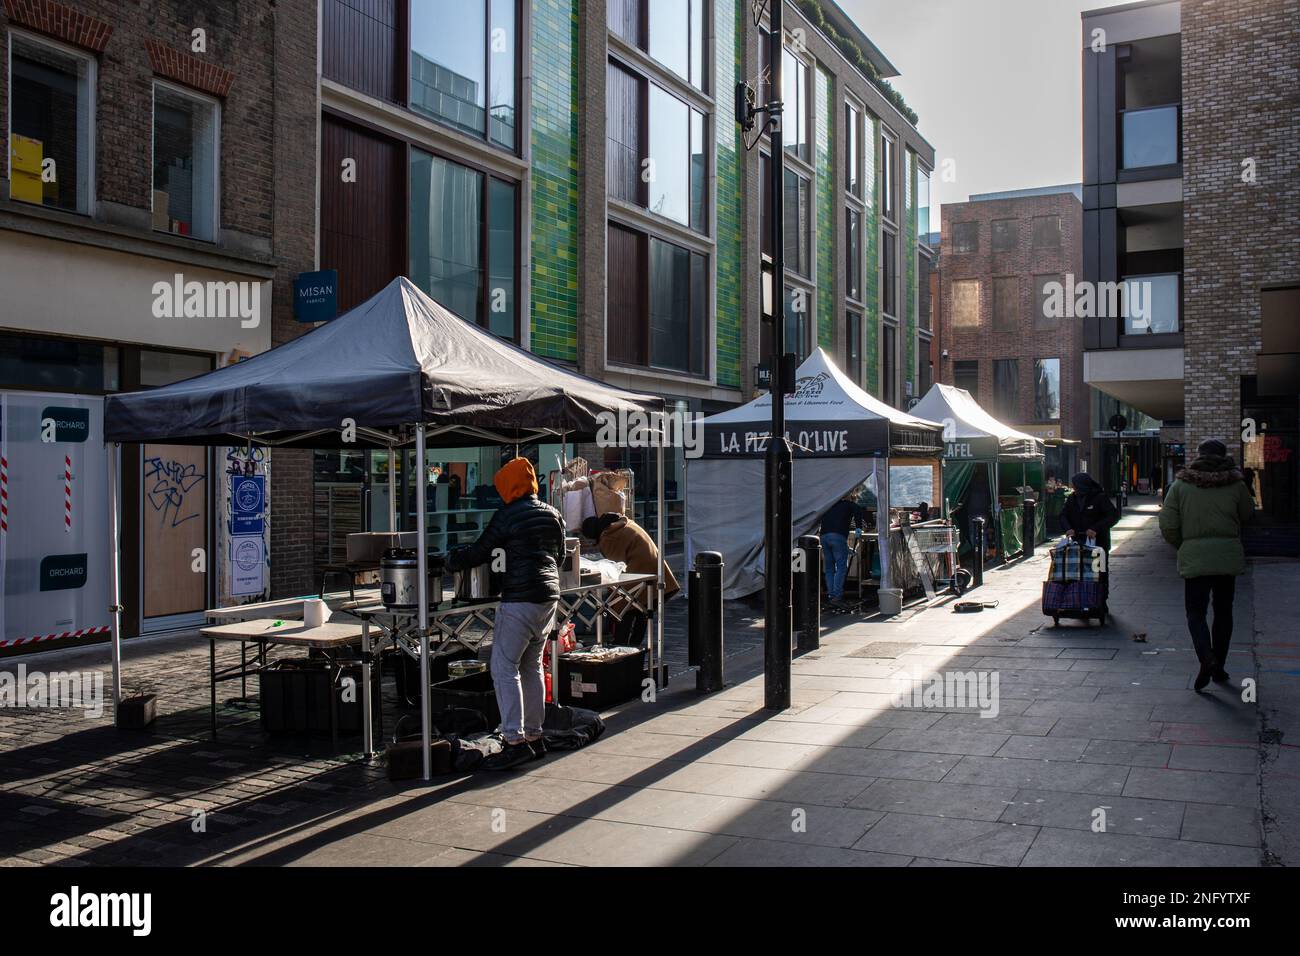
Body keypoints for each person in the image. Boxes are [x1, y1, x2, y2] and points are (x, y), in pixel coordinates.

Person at [447, 458, 566, 770]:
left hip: (520, 599)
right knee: (532, 665)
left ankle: (514, 739)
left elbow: (480, 551)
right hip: (549, 598)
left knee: (503, 666)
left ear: (507, 487)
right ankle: (536, 736)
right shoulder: (552, 513)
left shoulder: (508, 514)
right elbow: (561, 556)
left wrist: (451, 562)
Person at [1158, 439, 1255, 692]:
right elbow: (1248, 514)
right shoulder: (1236, 484)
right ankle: (1219, 666)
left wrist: (1186, 545)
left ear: (1198, 456)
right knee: (1224, 612)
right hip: (1226, 557)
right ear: (1224, 456)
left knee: (1195, 612)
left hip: (1195, 559)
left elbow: (1167, 524)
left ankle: (1206, 657)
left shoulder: (1180, 485)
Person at [581, 512, 680, 645]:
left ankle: (622, 648)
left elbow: (614, 568)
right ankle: (634, 649)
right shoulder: (623, 524)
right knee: (643, 610)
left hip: (641, 575)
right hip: (655, 572)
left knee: (622, 609)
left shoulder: (609, 537)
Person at [817, 491, 865, 605]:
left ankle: (831, 594)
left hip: (824, 536)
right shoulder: (848, 504)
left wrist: (846, 548)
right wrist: (859, 527)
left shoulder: (829, 504)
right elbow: (858, 510)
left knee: (829, 568)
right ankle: (837, 596)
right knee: (841, 566)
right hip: (838, 536)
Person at [1059, 472, 1120, 552]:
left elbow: (1113, 516)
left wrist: (1095, 529)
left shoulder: (1099, 497)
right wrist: (1068, 528)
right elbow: (1063, 515)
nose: (1073, 487)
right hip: (1077, 543)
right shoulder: (1072, 498)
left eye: (1075, 485)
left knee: (1097, 564)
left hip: (1099, 543)